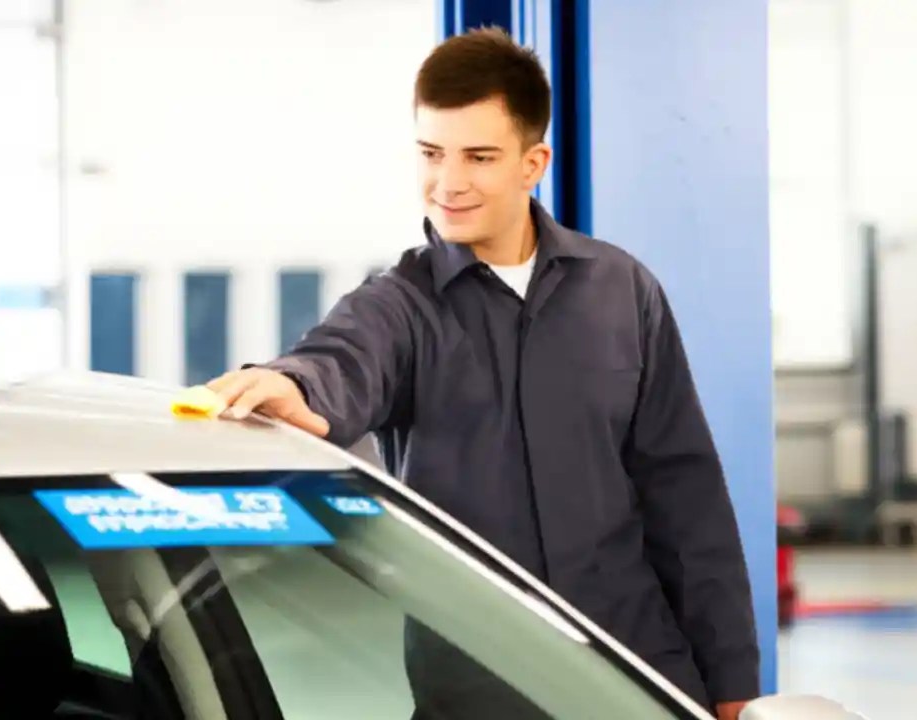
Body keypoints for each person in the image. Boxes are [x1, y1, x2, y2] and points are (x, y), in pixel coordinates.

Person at [204, 27, 759, 720]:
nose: (448, 182)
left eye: (479, 156)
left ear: (534, 163)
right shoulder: (401, 305)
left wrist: (732, 679)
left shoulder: (622, 290)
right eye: (431, 153)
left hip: (636, 677)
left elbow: (688, 498)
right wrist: (297, 385)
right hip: (480, 692)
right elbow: (342, 359)